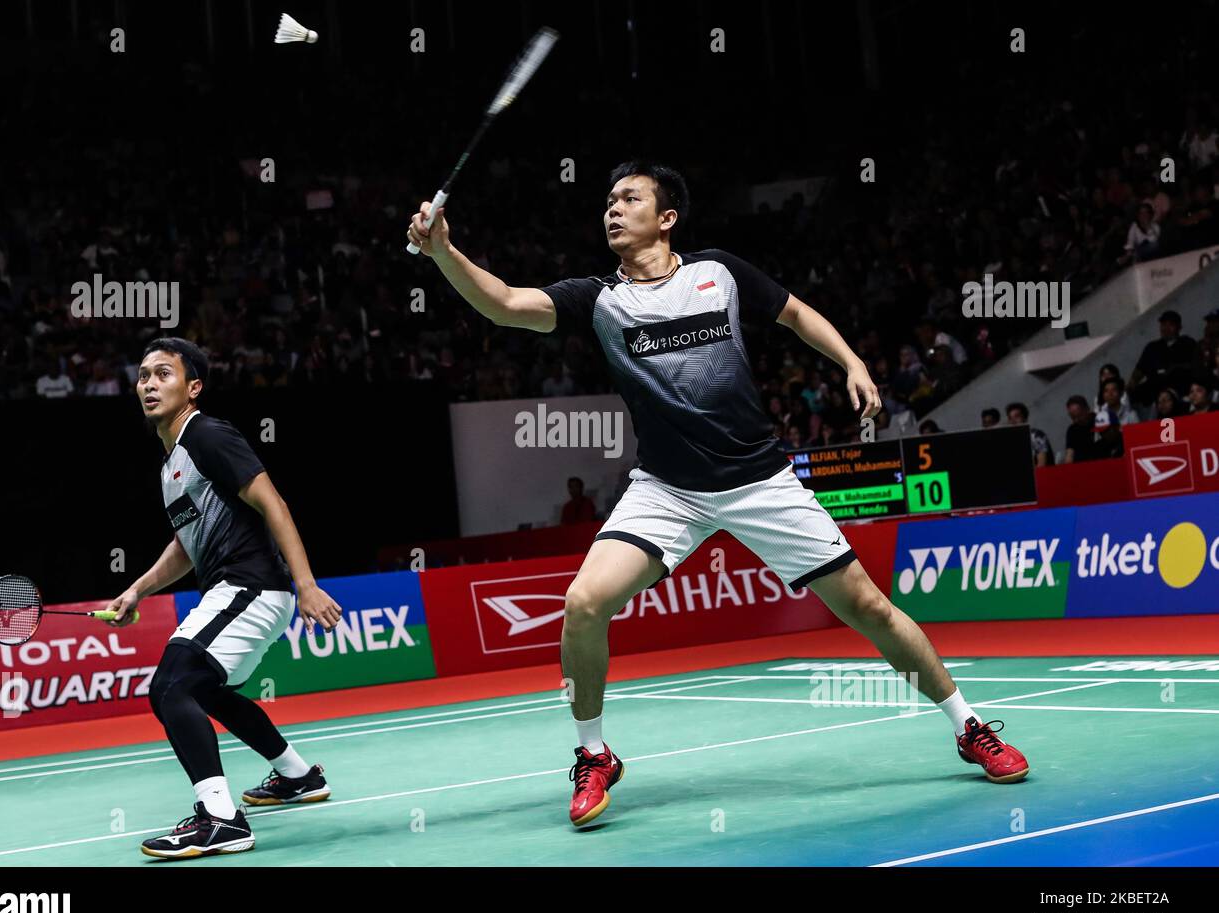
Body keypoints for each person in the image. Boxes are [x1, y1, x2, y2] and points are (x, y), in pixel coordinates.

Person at [406, 160, 1029, 828]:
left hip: (759, 478)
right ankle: (594, 754)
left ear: (666, 218)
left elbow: (794, 314)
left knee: (870, 607)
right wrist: (443, 250)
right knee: (584, 603)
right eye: (608, 200)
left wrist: (850, 362)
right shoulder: (599, 299)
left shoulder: (719, 273)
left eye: (630, 199)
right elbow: (504, 304)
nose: (612, 209)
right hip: (667, 489)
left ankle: (969, 728)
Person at [105, 337, 342, 859]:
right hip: (236, 590)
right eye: (143, 375)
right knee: (204, 691)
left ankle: (221, 818)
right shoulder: (172, 465)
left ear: (193, 387)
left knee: (170, 686)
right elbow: (185, 548)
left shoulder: (206, 434)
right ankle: (298, 776)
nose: (148, 384)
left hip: (250, 586)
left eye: (163, 374)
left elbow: (272, 501)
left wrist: (306, 584)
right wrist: (137, 589)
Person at [1128, 311, 1201, 405]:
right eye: (1163, 325)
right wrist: (1130, 386)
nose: (1166, 329)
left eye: (1171, 325)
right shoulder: (1152, 347)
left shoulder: (1187, 344)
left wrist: (1174, 369)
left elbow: (1196, 367)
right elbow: (1138, 373)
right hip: (1154, 394)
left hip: (1180, 394)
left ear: (1179, 328)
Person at [1006, 401, 1053, 467]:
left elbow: (1042, 464)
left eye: (1016, 416)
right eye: (1010, 418)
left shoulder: (1036, 435)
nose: (1013, 421)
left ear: (1025, 418)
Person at [1063, 395, 1104, 463]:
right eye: (1073, 418)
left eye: (1079, 416)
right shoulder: (1072, 430)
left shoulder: (1099, 420)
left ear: (1087, 409)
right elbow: (1069, 454)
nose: (1076, 420)